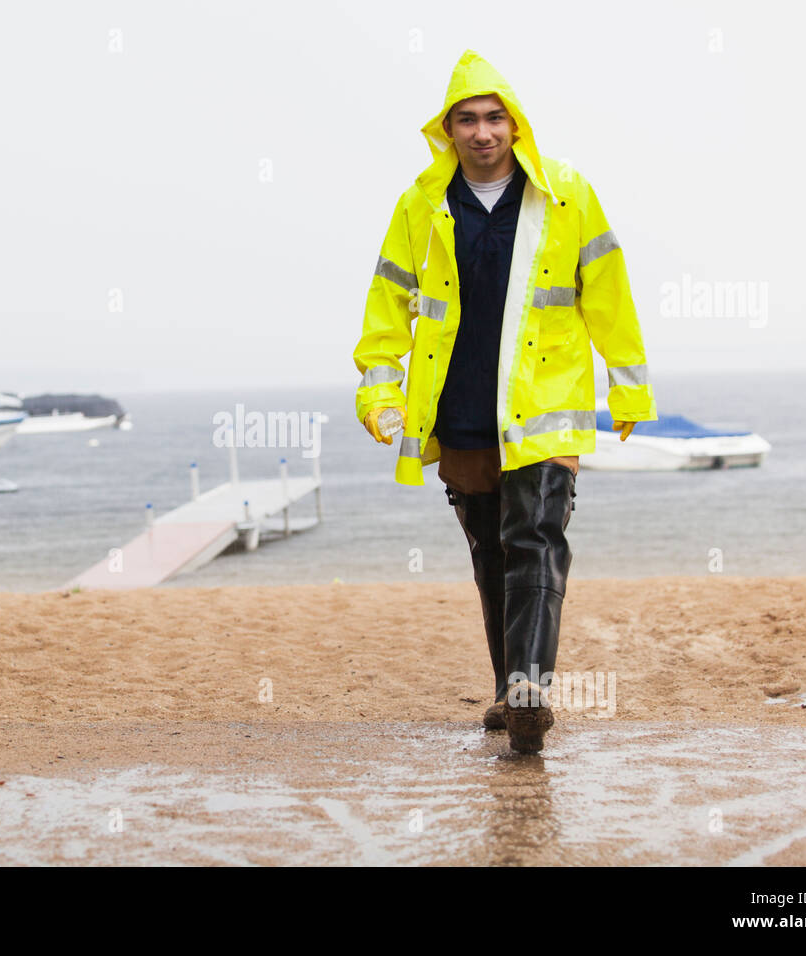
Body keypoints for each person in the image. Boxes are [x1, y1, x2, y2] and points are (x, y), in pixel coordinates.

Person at [353, 50, 658, 754]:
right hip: (459, 403)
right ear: (448, 128)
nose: (483, 132)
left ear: (515, 125)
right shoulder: (420, 205)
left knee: (537, 536)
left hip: (547, 402)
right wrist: (379, 388)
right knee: (491, 551)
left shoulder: (566, 193)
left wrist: (630, 382)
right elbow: (387, 304)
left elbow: (609, 292)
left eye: (495, 118)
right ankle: (507, 690)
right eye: (469, 119)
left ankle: (528, 689)